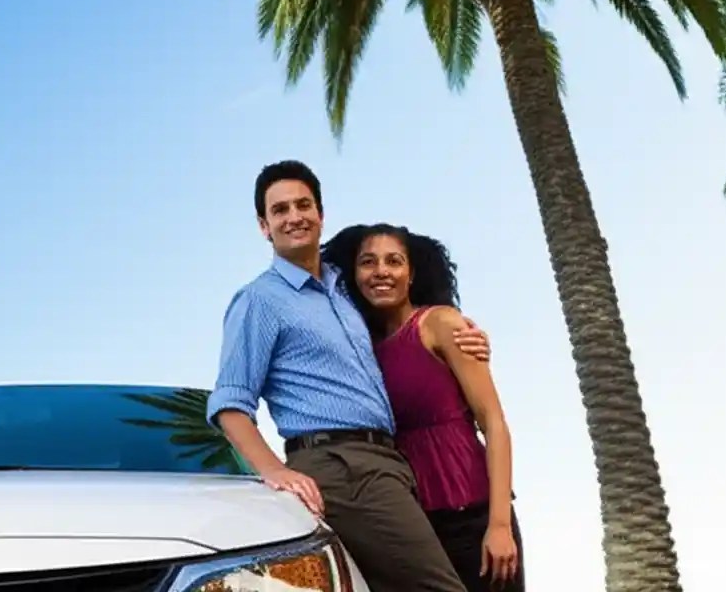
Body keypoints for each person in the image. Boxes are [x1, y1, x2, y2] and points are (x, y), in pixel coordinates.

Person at [207, 160, 491, 592]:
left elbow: (401, 308)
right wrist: (273, 470)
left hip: (391, 463)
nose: (294, 217)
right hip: (342, 465)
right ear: (264, 226)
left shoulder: (345, 285)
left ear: (321, 213)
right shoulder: (259, 301)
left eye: (303, 205)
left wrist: (458, 329)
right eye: (280, 210)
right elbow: (230, 404)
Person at [322, 223, 524, 592]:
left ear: (411, 274)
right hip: (413, 529)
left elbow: (494, 423)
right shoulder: (362, 351)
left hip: (474, 515)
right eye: (368, 262)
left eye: (394, 261)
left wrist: (499, 525)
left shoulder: (440, 323)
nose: (381, 271)